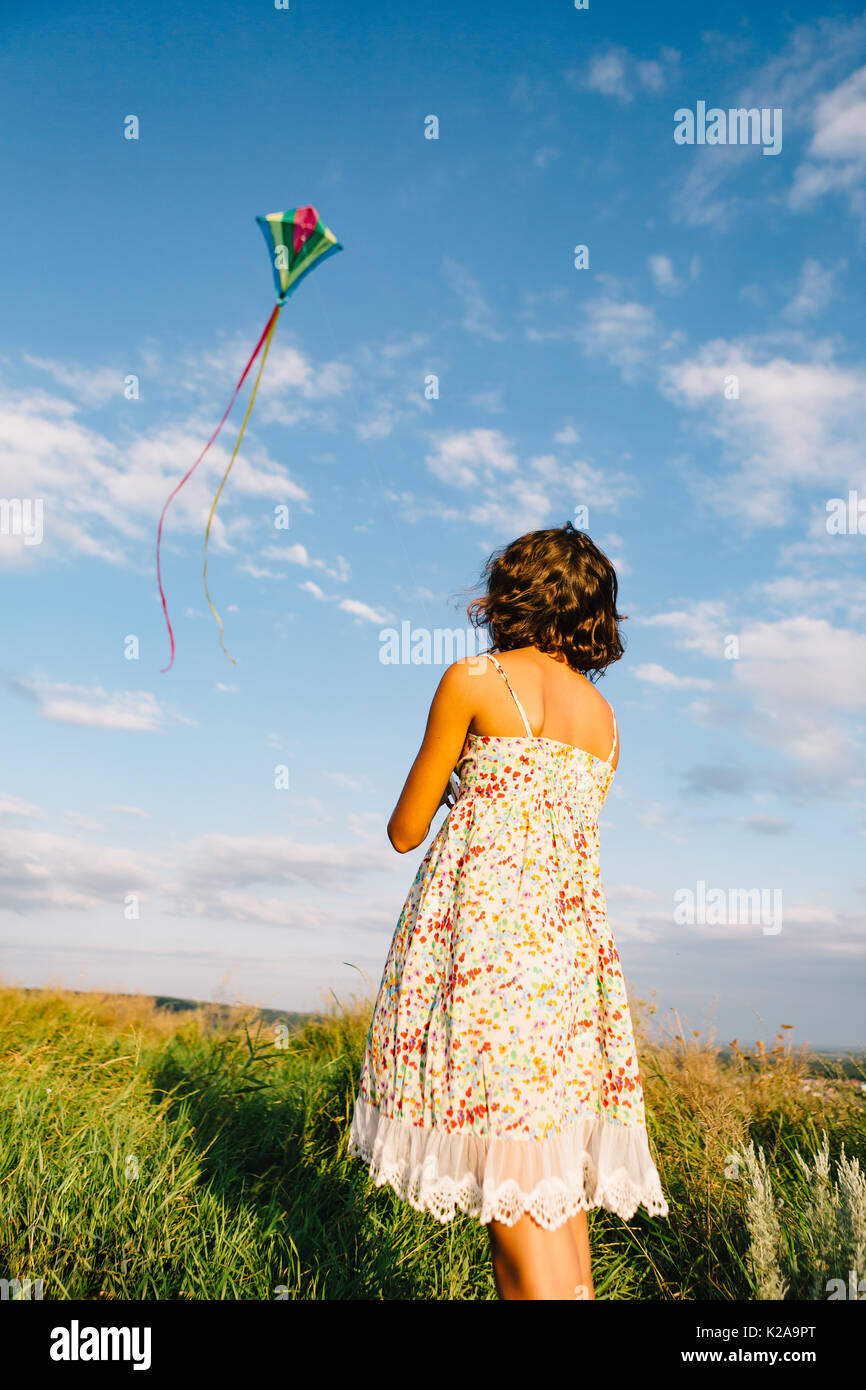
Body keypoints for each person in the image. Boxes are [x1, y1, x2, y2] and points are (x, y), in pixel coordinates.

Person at [348, 522, 669, 1299]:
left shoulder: (474, 679)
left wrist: (463, 776)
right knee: (549, 1195)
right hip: (569, 965)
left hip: (488, 954)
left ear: (511, 594)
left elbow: (403, 831)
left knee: (510, 1195)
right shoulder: (606, 723)